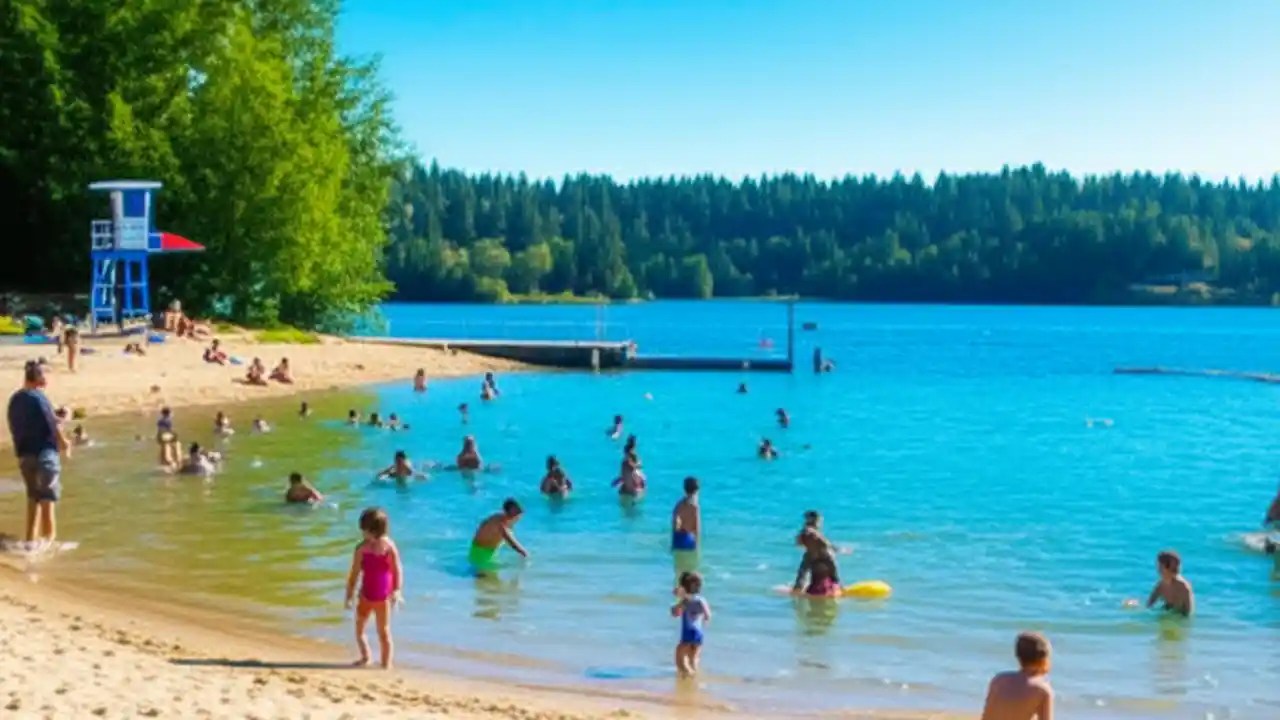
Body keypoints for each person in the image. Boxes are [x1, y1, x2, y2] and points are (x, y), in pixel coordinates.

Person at [7, 361, 68, 545]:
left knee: (32, 498)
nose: (46, 379)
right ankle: (49, 543)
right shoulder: (40, 397)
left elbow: (15, 426)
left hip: (25, 454)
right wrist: (64, 440)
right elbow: (52, 424)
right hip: (45, 453)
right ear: (38, 378)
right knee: (47, 499)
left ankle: (30, 541)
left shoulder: (15, 400)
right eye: (44, 375)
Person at [344, 507, 403, 668]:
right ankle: (366, 657)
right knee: (360, 629)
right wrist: (349, 594)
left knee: (384, 632)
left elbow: (396, 569)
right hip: (365, 595)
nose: (363, 534)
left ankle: (386, 664)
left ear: (375, 531)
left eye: (365, 531)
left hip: (383, 597)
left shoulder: (389, 547)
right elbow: (354, 573)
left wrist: (397, 590)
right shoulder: (361, 549)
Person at [981, 632, 1054, 720]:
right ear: (1044, 658)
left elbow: (987, 716)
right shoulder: (1042, 690)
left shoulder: (998, 680)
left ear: (1018, 656)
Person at [469, 498, 528, 574]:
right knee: (487, 582)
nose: (519, 518)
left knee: (492, 583)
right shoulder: (501, 525)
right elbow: (514, 544)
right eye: (517, 515)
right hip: (482, 556)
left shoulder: (499, 518)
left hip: (485, 553)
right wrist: (526, 557)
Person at [670, 571, 711, 678]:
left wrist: (675, 607)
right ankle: (693, 677)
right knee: (694, 657)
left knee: (680, 656)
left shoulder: (685, 601)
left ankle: (688, 673)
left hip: (688, 632)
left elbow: (675, 613)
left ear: (683, 587)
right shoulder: (701, 600)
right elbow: (708, 615)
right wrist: (705, 621)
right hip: (699, 633)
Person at [793, 511, 841, 591]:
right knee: (833, 568)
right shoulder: (811, 531)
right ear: (813, 520)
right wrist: (835, 548)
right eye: (819, 521)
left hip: (811, 554)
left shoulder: (805, 531)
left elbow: (798, 543)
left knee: (803, 572)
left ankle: (798, 588)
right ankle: (837, 585)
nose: (820, 523)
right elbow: (824, 542)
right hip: (823, 554)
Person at [1146, 550, 1194, 616]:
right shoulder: (1161, 585)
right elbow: (1148, 605)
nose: (1158, 569)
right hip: (1166, 613)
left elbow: (1188, 613)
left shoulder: (1184, 587)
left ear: (1167, 568)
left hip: (1179, 618)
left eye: (1160, 566)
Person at [671, 476, 701, 552]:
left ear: (684, 490)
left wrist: (673, 539)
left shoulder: (679, 504)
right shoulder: (695, 507)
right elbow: (697, 526)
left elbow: (675, 522)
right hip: (689, 538)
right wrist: (697, 543)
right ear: (697, 491)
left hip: (678, 537)